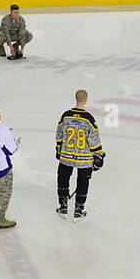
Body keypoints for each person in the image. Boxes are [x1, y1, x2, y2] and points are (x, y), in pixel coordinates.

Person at [55, 90, 104, 220]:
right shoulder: (88, 118)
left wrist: (59, 149)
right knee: (83, 182)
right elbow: (93, 139)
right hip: (85, 158)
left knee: (62, 178)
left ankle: (63, 206)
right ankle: (78, 210)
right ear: (86, 99)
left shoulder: (66, 116)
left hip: (66, 155)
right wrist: (99, 156)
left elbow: (59, 135)